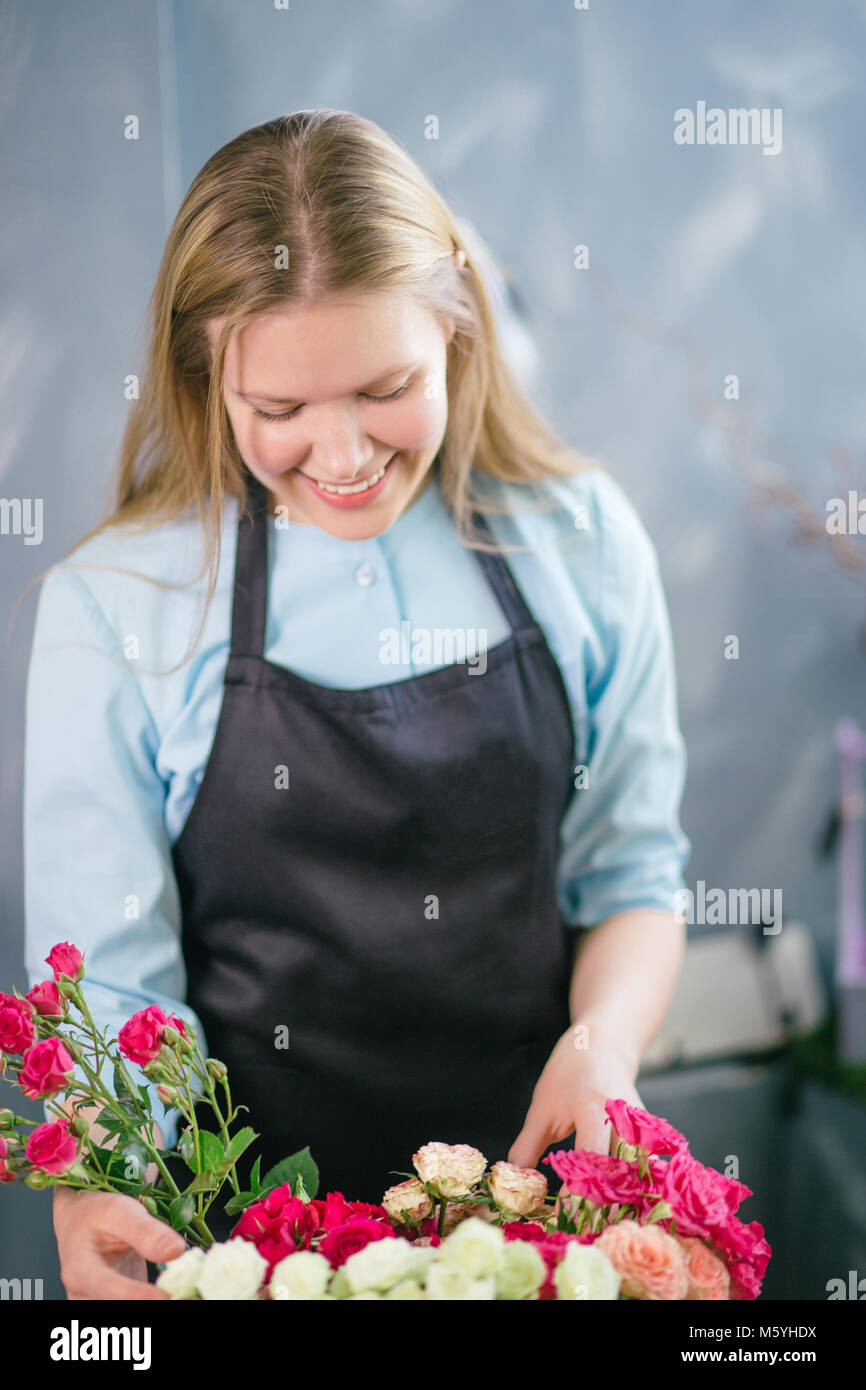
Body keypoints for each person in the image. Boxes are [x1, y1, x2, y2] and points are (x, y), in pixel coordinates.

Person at [23, 108, 690, 1299]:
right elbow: (113, 997)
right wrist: (101, 1181)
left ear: (458, 334)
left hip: (545, 1241)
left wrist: (604, 1044)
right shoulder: (116, 605)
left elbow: (629, 877)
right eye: (277, 411)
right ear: (203, 375)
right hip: (247, 1259)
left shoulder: (580, 541)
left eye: (385, 387)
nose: (337, 454)